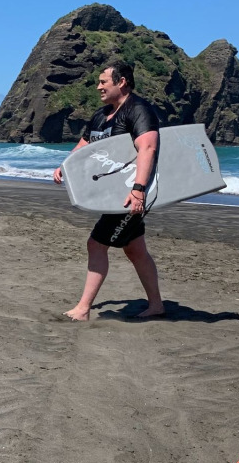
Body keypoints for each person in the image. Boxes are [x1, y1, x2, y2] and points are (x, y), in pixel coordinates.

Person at [52, 62, 164, 321]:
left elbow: (148, 148)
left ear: (121, 81)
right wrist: (65, 165)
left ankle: (82, 309)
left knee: (96, 244)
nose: (98, 86)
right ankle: (156, 305)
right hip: (113, 193)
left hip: (129, 195)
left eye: (104, 82)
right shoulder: (102, 115)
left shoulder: (138, 110)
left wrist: (138, 190)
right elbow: (86, 142)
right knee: (135, 249)